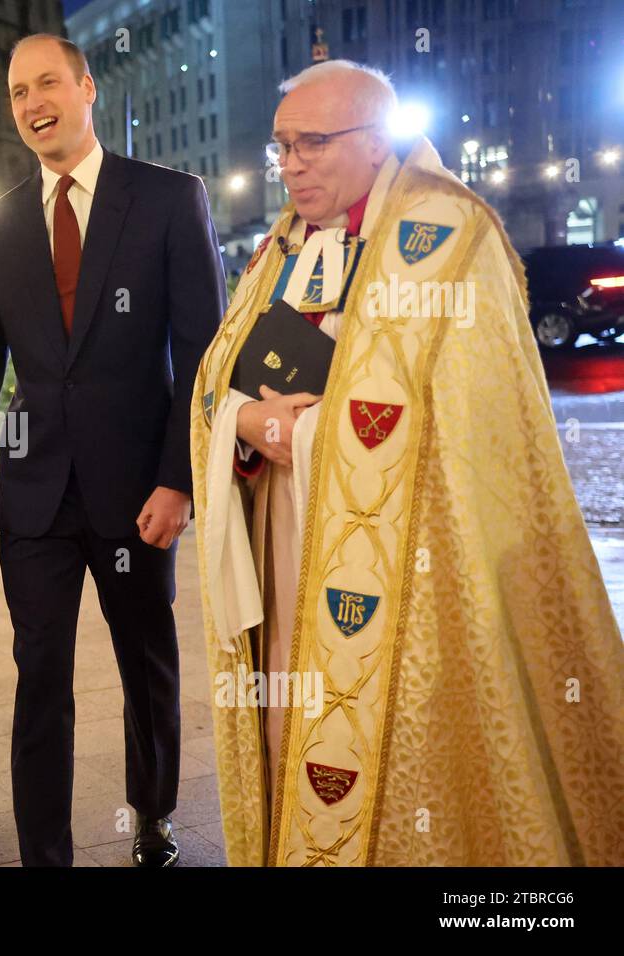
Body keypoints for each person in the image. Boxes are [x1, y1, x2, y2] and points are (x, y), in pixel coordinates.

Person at [191, 60, 624, 866]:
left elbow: (471, 423)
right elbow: (216, 381)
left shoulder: (450, 237)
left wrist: (308, 438)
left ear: (377, 136)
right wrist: (247, 421)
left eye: (313, 142)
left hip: (416, 573)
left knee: (406, 744)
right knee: (294, 717)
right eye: (282, 145)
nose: (291, 164)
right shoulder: (283, 246)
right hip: (285, 543)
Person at [0, 34, 226, 866]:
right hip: (36, 499)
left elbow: (204, 352)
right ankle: (45, 854)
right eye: (18, 92)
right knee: (39, 683)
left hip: (139, 495)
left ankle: (156, 813)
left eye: (48, 83)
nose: (32, 103)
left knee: (147, 666)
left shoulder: (170, 199)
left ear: (86, 86)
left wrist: (180, 482)